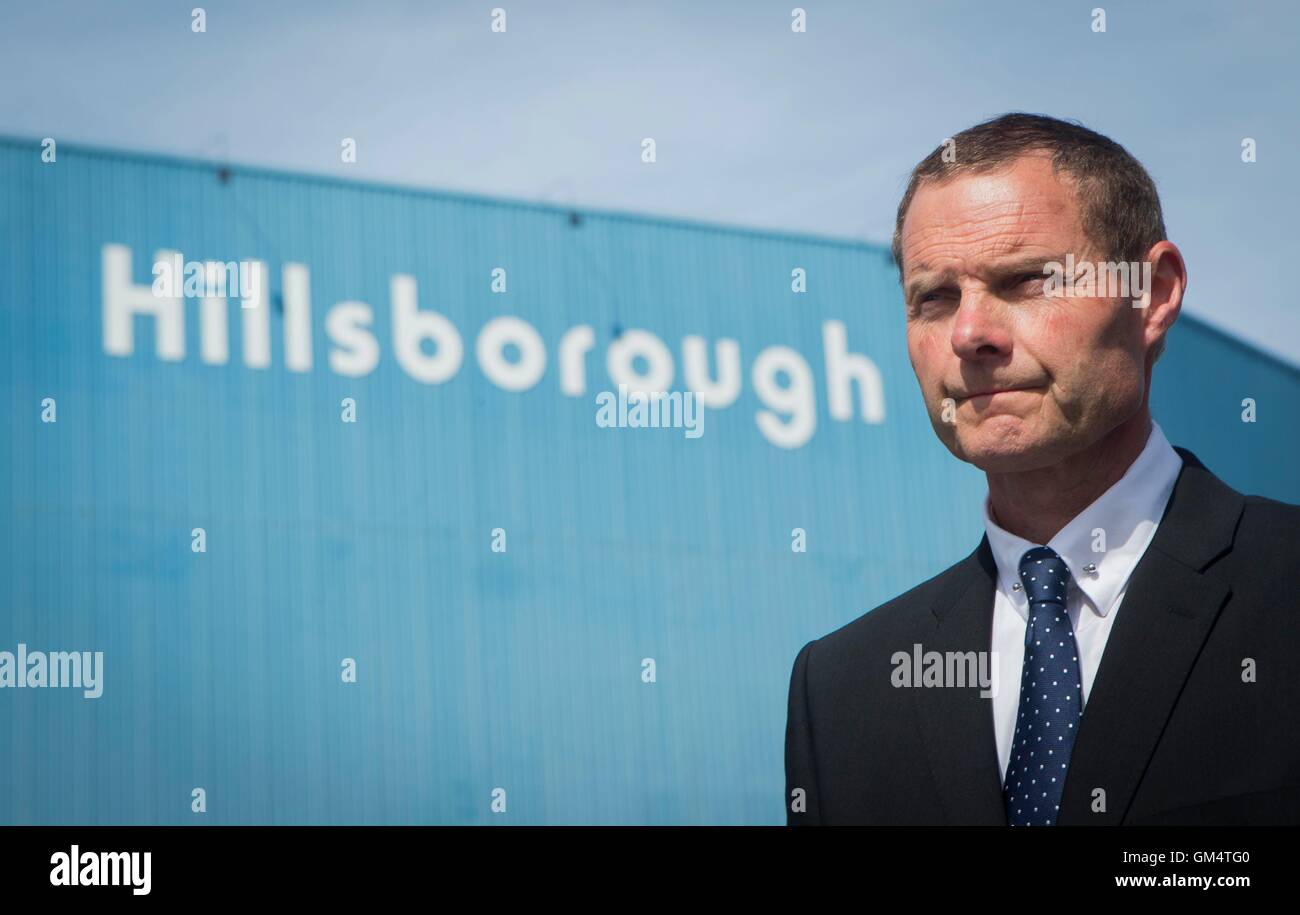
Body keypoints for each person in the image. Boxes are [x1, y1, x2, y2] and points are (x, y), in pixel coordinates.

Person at [784, 113, 1300, 826]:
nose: (969, 335)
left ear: (1150, 294)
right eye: (934, 297)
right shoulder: (842, 689)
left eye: (1027, 280)